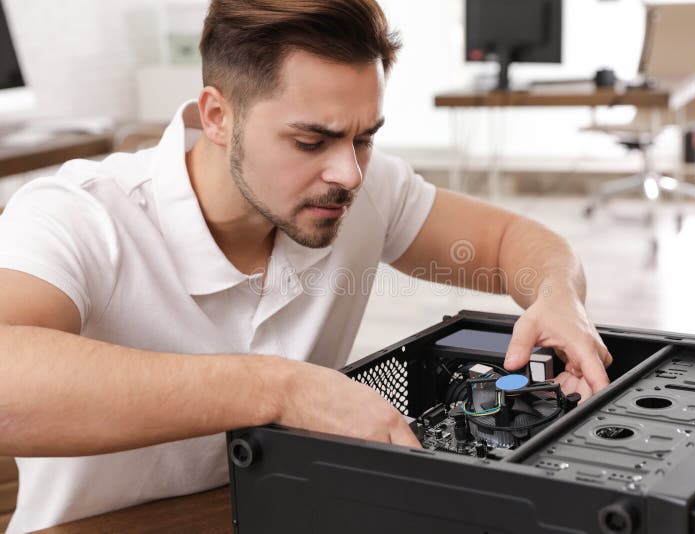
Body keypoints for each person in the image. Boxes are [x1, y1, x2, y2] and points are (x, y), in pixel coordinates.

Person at [0, 0, 612, 531]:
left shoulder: (360, 190)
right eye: (310, 141)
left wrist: (558, 295)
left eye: (364, 137)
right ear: (217, 116)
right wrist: (279, 389)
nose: (348, 173)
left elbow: (512, 240)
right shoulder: (79, 215)